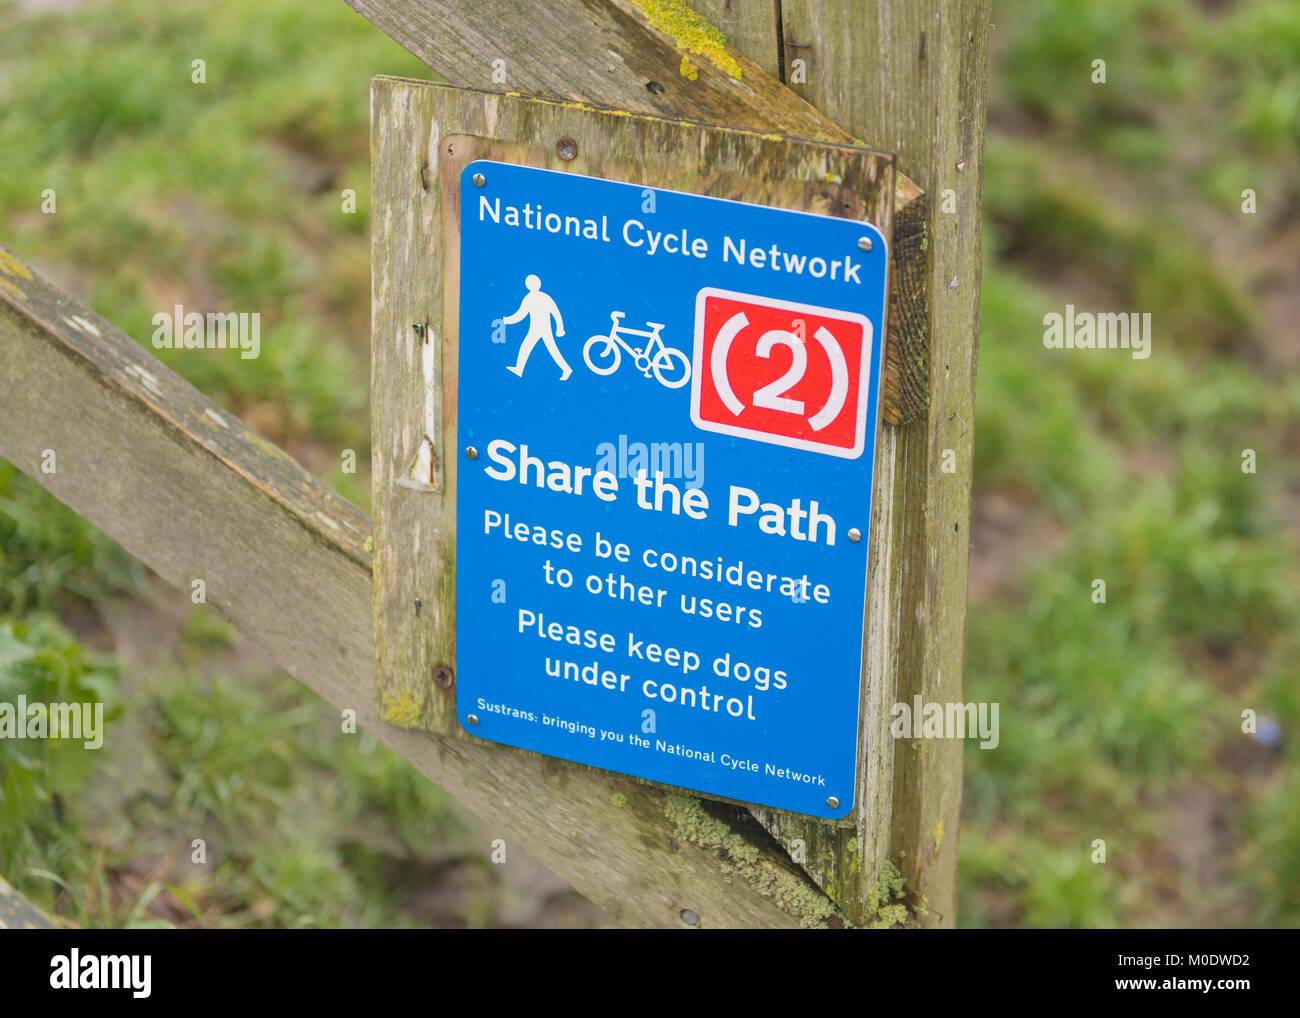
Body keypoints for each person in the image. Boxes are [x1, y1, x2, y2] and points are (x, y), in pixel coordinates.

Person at [503, 274, 570, 379]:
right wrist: (559, 328)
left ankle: (566, 369)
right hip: (537, 329)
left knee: (550, 349)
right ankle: (519, 369)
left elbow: (520, 315)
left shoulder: (531, 298)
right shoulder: (542, 297)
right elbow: (556, 313)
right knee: (527, 346)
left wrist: (506, 320)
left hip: (541, 329)